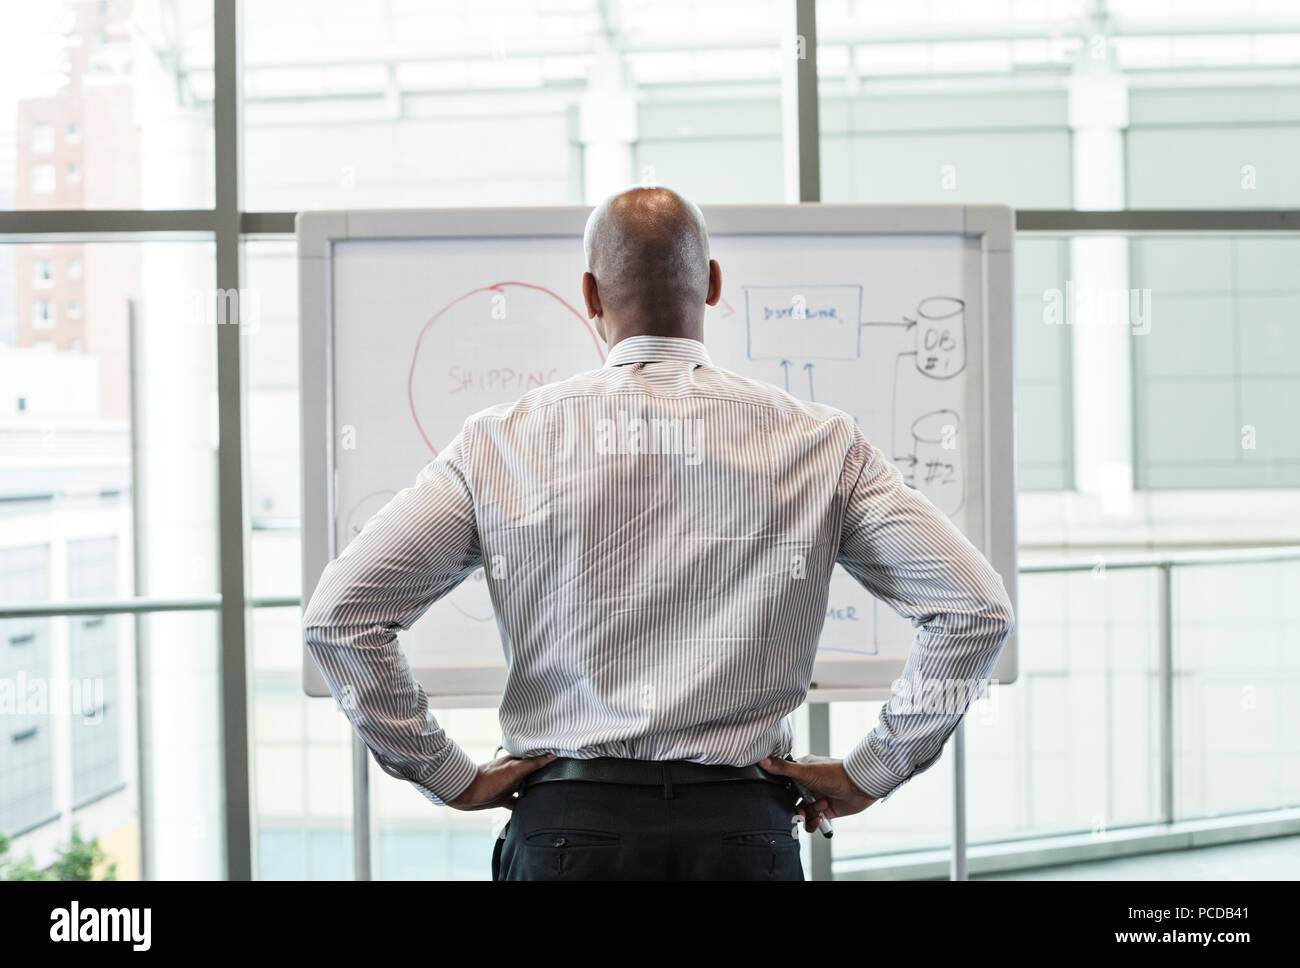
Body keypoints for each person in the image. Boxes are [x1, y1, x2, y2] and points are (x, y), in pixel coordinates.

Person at [302, 186, 1015, 881]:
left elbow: (340, 618)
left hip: (567, 831)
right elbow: (975, 609)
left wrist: (447, 774)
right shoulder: (818, 440)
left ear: (589, 294)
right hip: (743, 834)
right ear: (710, 282)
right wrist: (873, 768)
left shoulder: (502, 442)